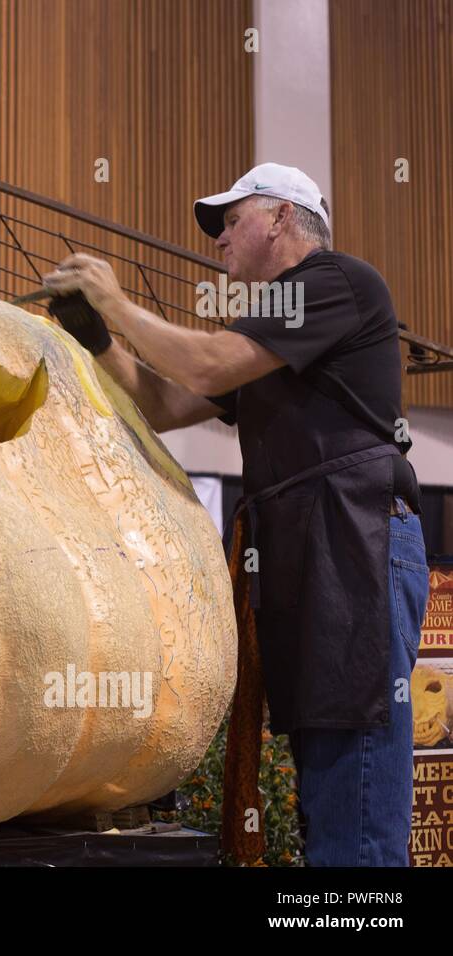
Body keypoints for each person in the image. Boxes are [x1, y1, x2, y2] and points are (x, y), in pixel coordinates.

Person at [40, 162, 429, 866]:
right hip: (316, 547)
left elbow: (210, 366)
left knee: (356, 780)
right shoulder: (273, 335)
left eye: (232, 218)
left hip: (355, 539)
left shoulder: (335, 282)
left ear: (282, 216)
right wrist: (96, 339)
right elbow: (164, 403)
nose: (220, 237)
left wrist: (118, 304)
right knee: (329, 771)